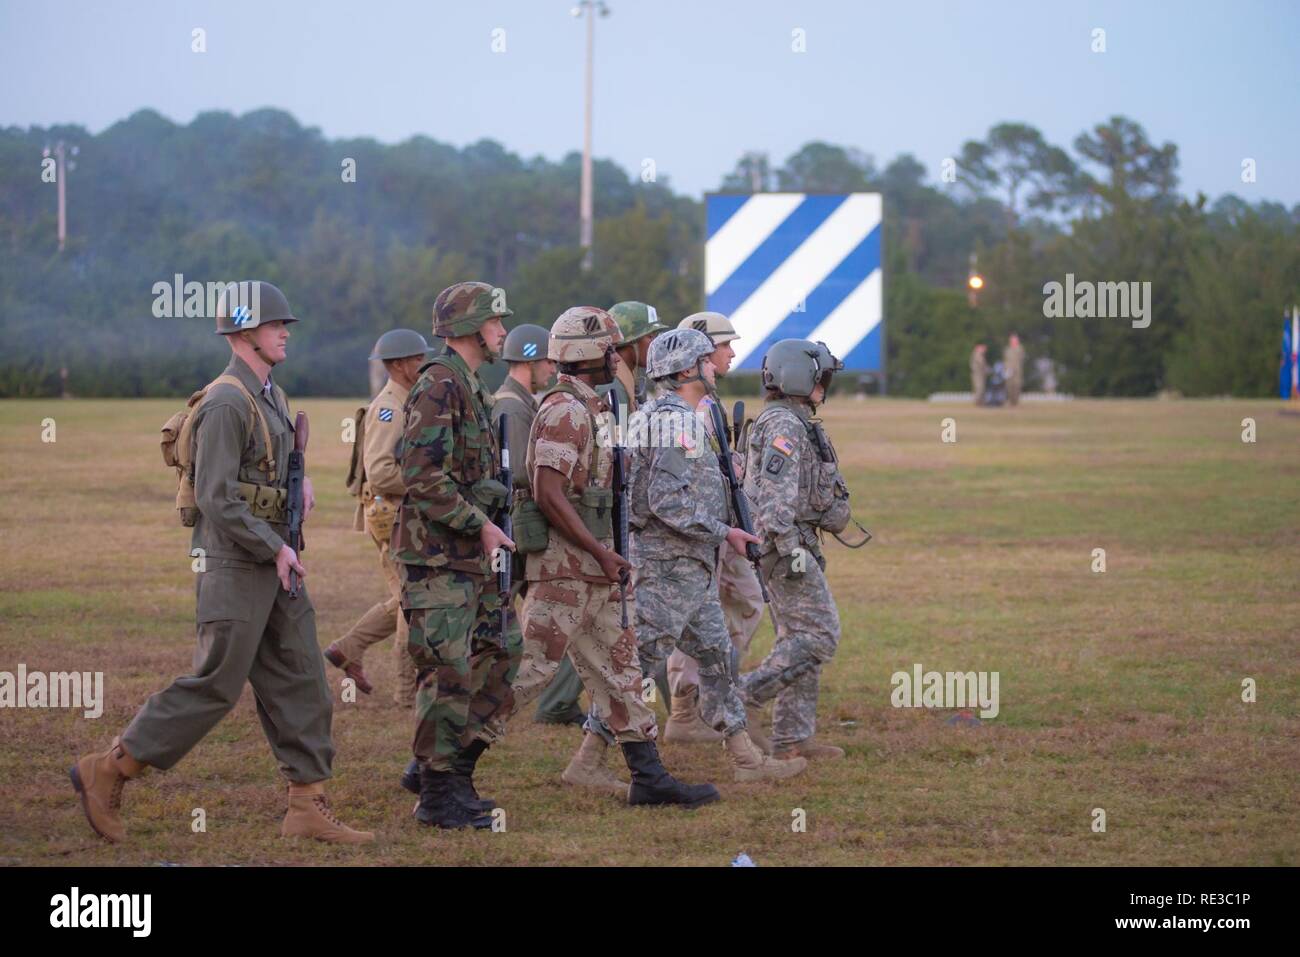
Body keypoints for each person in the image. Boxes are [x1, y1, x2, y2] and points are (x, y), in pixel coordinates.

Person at [70, 281, 373, 845]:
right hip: (238, 562)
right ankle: (110, 767)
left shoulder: (269, 394)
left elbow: (266, 472)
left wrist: (297, 490)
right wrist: (274, 545)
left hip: (274, 559)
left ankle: (306, 806)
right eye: (273, 324)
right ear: (241, 334)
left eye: (285, 323)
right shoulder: (228, 400)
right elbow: (215, 496)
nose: (285, 331)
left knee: (303, 676)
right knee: (216, 683)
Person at [478, 308, 719, 808]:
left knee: (622, 671)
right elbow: (548, 491)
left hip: (592, 570)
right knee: (530, 673)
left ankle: (648, 778)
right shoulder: (566, 411)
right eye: (611, 349)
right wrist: (600, 552)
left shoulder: (592, 407)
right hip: (565, 572)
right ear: (589, 356)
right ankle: (443, 767)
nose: (619, 356)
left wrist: (604, 557)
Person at [614, 328, 808, 782]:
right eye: (707, 358)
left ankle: (746, 760)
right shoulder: (676, 422)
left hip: (690, 565)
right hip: (669, 566)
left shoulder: (655, 415)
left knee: (719, 658)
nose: (716, 365)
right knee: (637, 664)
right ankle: (587, 757)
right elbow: (667, 501)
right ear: (687, 369)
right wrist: (726, 531)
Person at [392, 281, 522, 831]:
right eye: (495, 322)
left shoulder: (471, 385)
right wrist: (480, 524)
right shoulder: (439, 385)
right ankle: (438, 794)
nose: (503, 331)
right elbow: (420, 476)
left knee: (502, 653)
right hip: (440, 558)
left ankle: (454, 771)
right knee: (446, 674)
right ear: (470, 328)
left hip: (471, 556)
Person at [738, 339, 851, 761]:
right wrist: (790, 551)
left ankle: (792, 738)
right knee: (820, 634)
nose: (826, 384)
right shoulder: (785, 425)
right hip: (785, 547)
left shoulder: (790, 420)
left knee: (799, 636)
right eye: (822, 376)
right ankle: (744, 698)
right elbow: (774, 498)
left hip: (791, 543)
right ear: (799, 377)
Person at [662, 312, 765, 746]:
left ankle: (715, 696)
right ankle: (688, 711)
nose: (731, 353)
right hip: (707, 528)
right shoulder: (686, 411)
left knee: (742, 603)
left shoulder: (707, 404)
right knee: (697, 614)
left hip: (724, 524)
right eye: (725, 344)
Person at [324, 328, 429, 706]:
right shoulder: (389, 407)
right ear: (400, 365)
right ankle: (407, 692)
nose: (425, 363)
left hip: (403, 514)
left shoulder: (405, 399)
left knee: (405, 595)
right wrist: (430, 485)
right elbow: (382, 471)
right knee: (411, 601)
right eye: (419, 358)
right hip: (392, 516)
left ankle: (347, 649)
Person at [494, 323, 587, 728]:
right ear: (529, 361)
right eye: (546, 360)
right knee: (506, 609)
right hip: (520, 520)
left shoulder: (522, 401)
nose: (552, 367)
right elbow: (517, 471)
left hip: (523, 518)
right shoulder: (513, 407)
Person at [607, 300, 668, 413]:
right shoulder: (614, 387)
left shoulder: (627, 379)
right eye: (650, 336)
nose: (656, 343)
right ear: (631, 341)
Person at [1004, 334, 1025, 406]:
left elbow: (1021, 358)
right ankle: (1010, 401)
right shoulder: (1007, 349)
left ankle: (1015, 402)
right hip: (1009, 370)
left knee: (1017, 385)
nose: (1013, 341)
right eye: (1012, 340)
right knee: (1009, 386)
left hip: (1017, 370)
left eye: (1015, 340)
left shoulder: (1020, 348)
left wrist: (1016, 347)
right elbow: (1006, 360)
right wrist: (1006, 369)